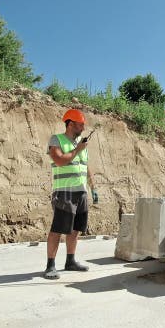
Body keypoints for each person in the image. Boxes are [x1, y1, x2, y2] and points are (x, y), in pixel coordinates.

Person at [44, 109, 99, 279]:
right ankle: (50, 266)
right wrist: (78, 149)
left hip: (80, 193)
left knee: (75, 230)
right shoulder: (57, 139)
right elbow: (59, 160)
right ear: (70, 123)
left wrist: (93, 187)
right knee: (58, 229)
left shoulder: (80, 145)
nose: (83, 128)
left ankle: (70, 261)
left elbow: (85, 167)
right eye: (80, 124)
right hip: (64, 192)